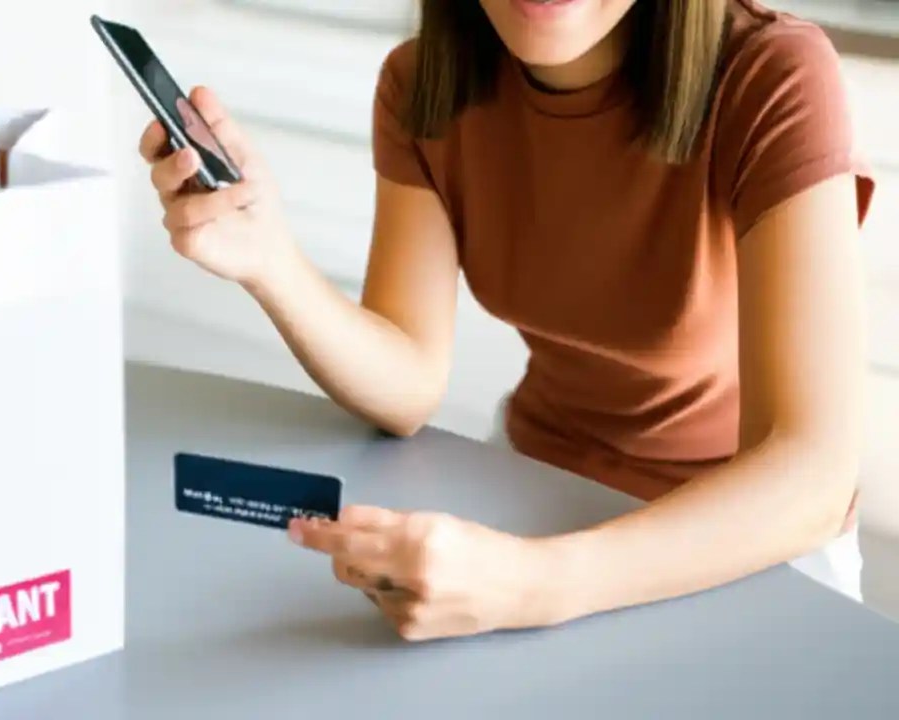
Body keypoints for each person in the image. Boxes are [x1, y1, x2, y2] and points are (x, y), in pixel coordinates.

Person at [137, 0, 875, 641]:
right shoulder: (422, 84)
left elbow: (811, 477)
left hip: (737, 536)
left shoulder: (772, 76)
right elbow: (408, 380)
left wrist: (534, 585)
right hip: (536, 493)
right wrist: (271, 261)